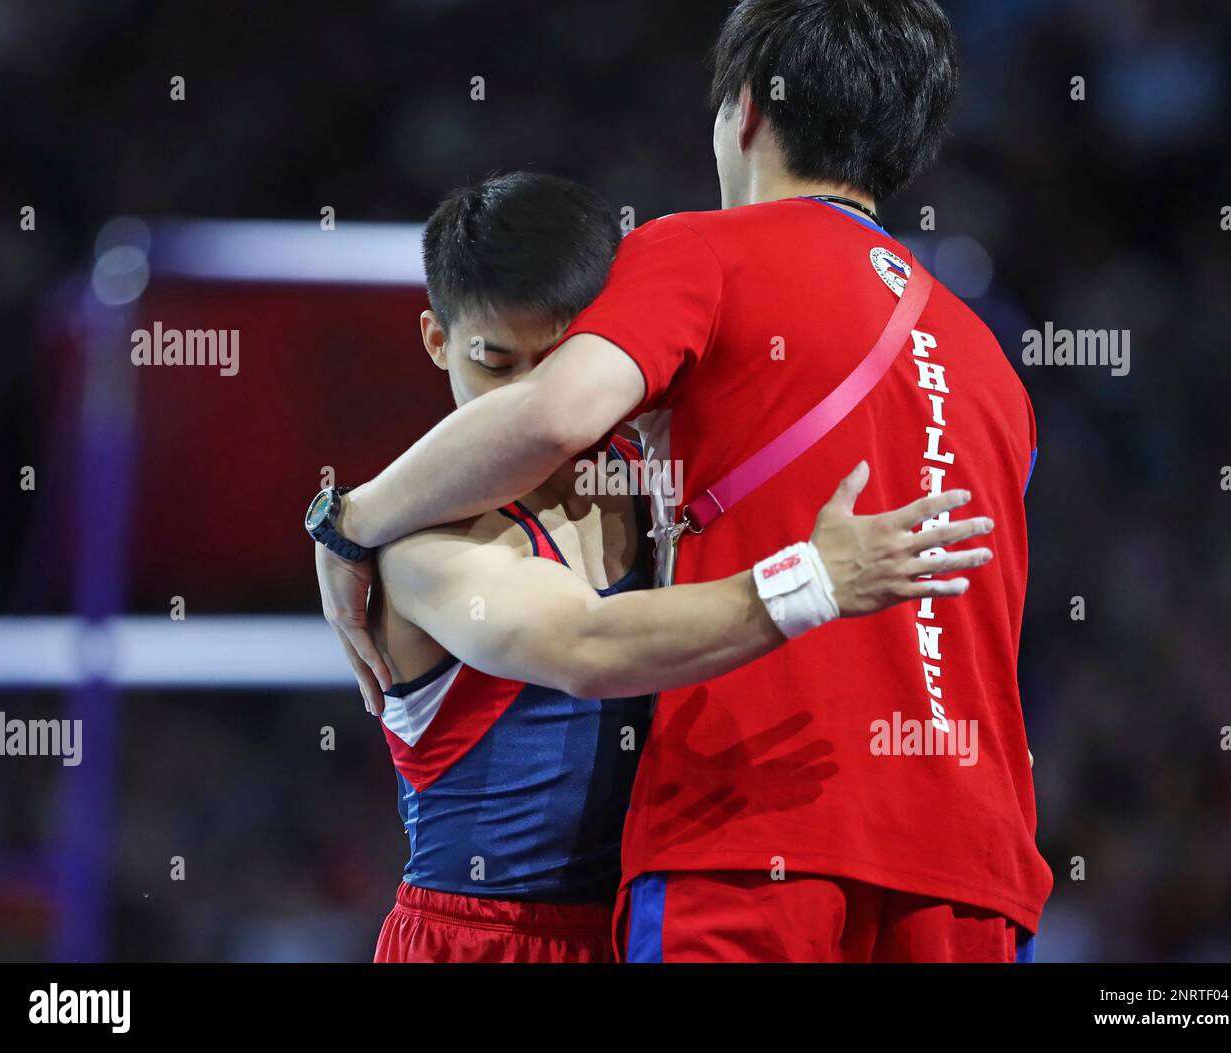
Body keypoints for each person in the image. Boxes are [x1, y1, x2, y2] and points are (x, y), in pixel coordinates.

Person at [315, 0, 1052, 962]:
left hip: (753, 842)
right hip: (976, 870)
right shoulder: (993, 365)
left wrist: (345, 521)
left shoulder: (698, 252)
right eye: (497, 359)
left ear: (743, 110)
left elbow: (552, 420)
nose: (530, 381)